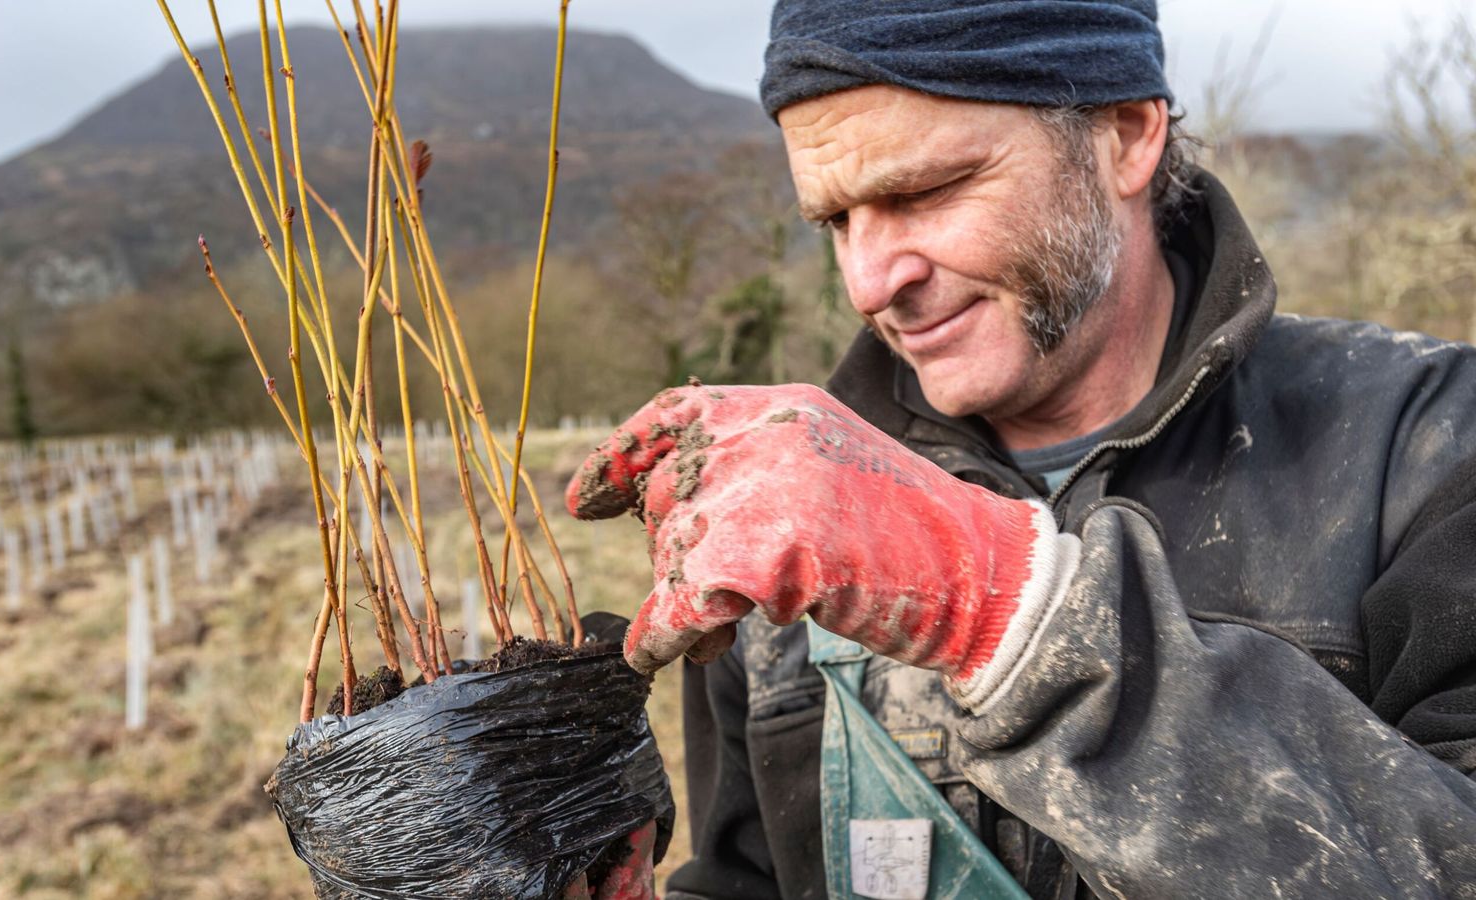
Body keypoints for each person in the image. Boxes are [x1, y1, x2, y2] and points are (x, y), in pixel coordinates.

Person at [568, 0, 1476, 897]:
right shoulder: (787, 500)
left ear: (1125, 134)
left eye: (924, 190)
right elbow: (748, 880)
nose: (871, 281)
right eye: (836, 221)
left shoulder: (1429, 447)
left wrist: (999, 603)